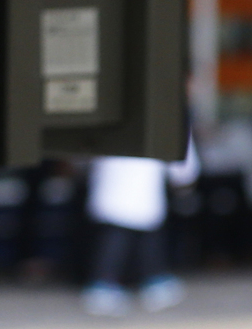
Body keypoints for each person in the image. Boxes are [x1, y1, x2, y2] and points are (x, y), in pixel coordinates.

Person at [84, 113, 199, 316]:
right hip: (134, 187)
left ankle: (145, 282)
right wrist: (184, 177)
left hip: (126, 187)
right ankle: (106, 285)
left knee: (136, 239)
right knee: (120, 240)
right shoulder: (165, 112)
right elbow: (181, 159)